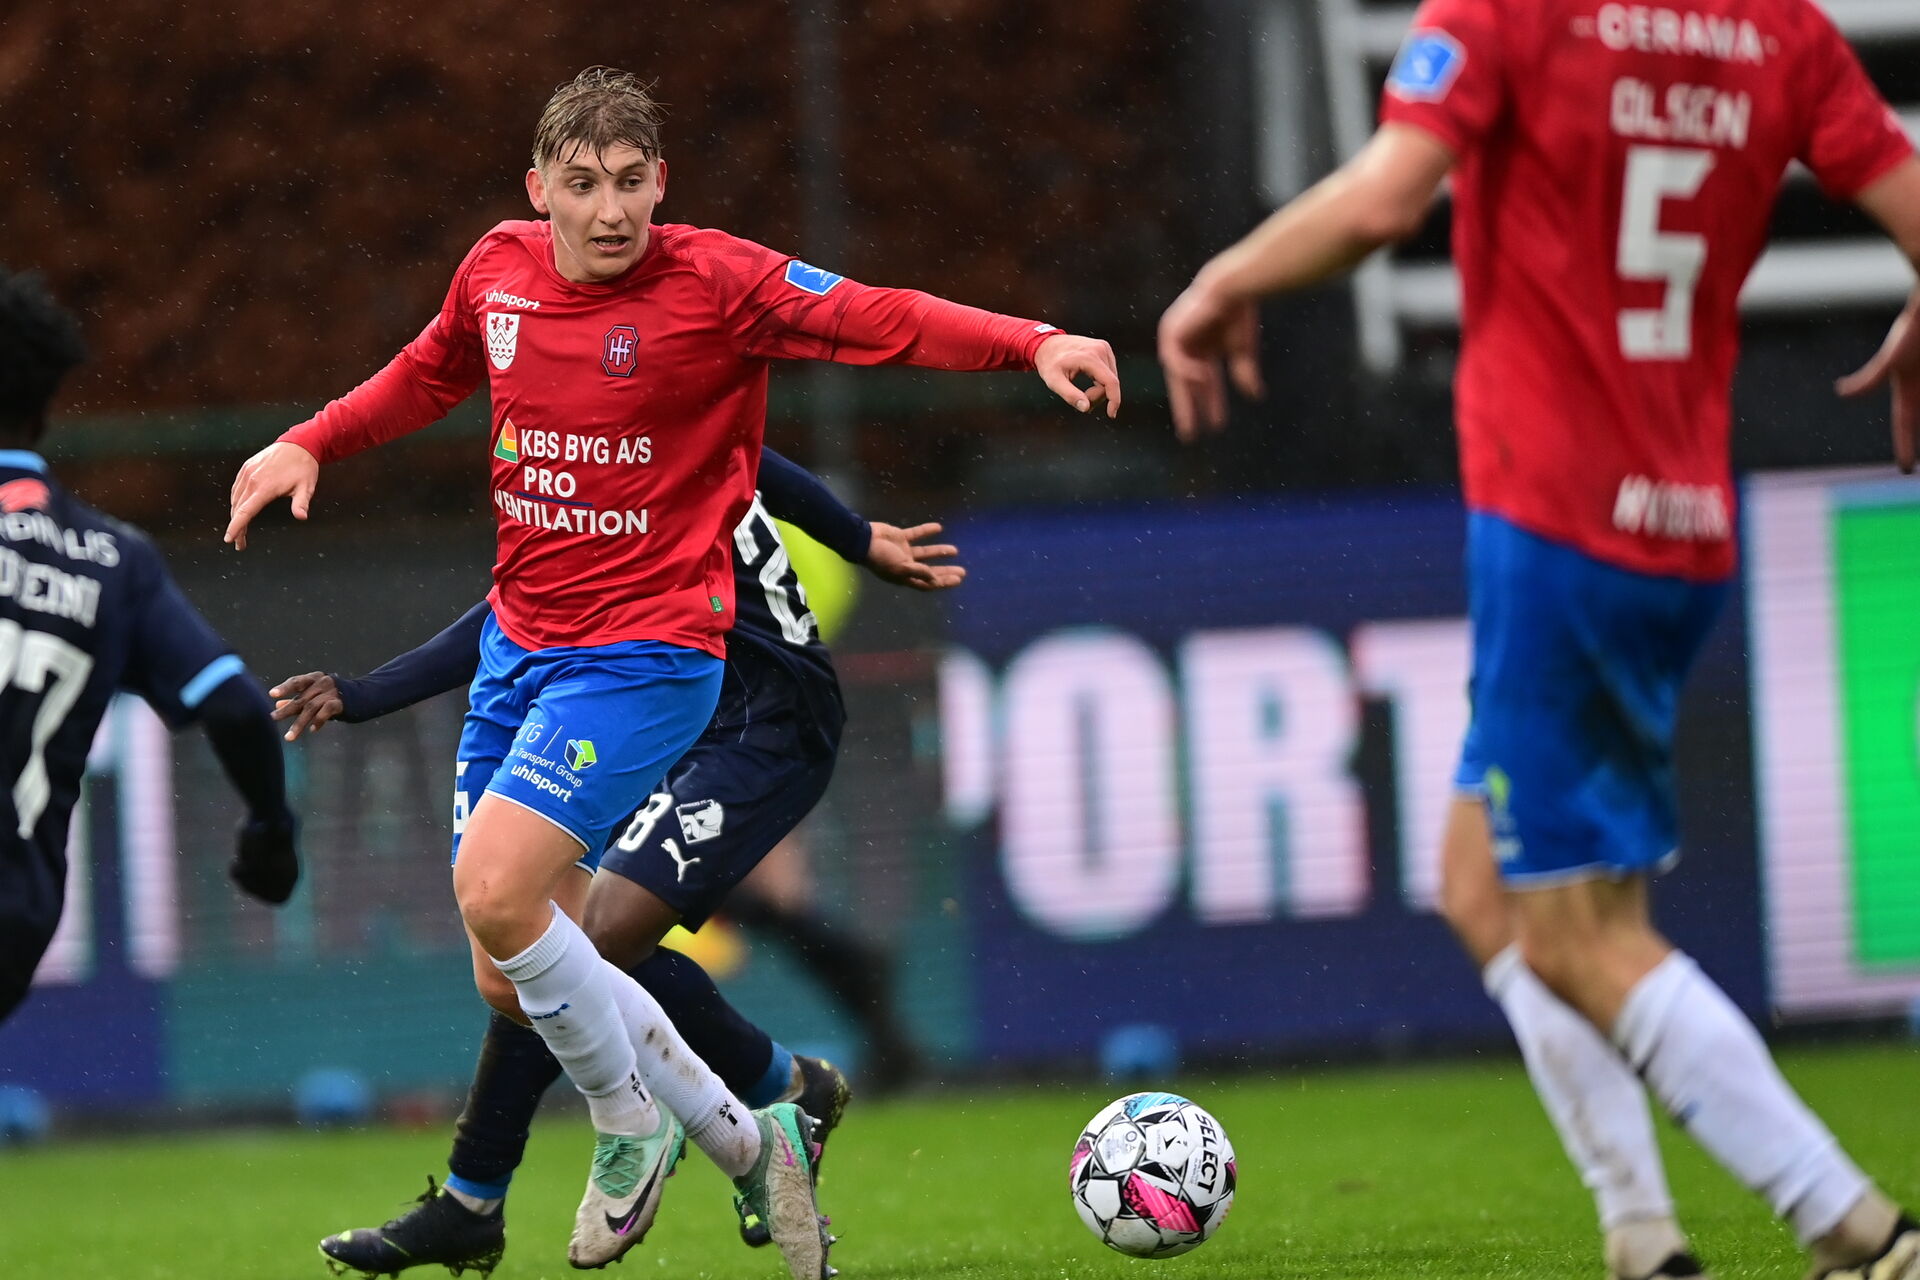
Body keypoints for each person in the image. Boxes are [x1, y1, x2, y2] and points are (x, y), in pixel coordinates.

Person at [223, 66, 1119, 1280]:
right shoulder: (496, 271)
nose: (610, 210)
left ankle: (627, 1123)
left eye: (631, 182)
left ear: (662, 185)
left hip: (650, 658)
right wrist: (311, 438)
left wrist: (1034, 341)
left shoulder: (719, 284)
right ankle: (753, 1135)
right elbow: (429, 369)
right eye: (583, 184)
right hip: (519, 653)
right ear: (537, 190)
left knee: (505, 893)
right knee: (514, 969)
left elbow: (881, 316)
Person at [1158, 3, 1920, 1278]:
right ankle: (1642, 1233)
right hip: (1683, 521)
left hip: (1557, 523)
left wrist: (1222, 280)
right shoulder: (1780, 31)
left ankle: (1860, 1229)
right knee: (1482, 884)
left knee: (1579, 934)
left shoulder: (1507, 11)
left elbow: (1383, 200)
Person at [287, 447, 957, 1276]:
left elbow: (740, 452)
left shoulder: (627, 433)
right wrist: (367, 692)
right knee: (548, 938)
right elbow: (526, 605)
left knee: (571, 939)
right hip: (674, 699)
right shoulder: (618, 430)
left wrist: (855, 539)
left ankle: (482, 1196)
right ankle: (780, 1092)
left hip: (759, 719)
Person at [0, 268, 300, 1025]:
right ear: (45, 405)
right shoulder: (111, 558)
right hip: (16, 913)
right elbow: (236, 708)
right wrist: (271, 829)